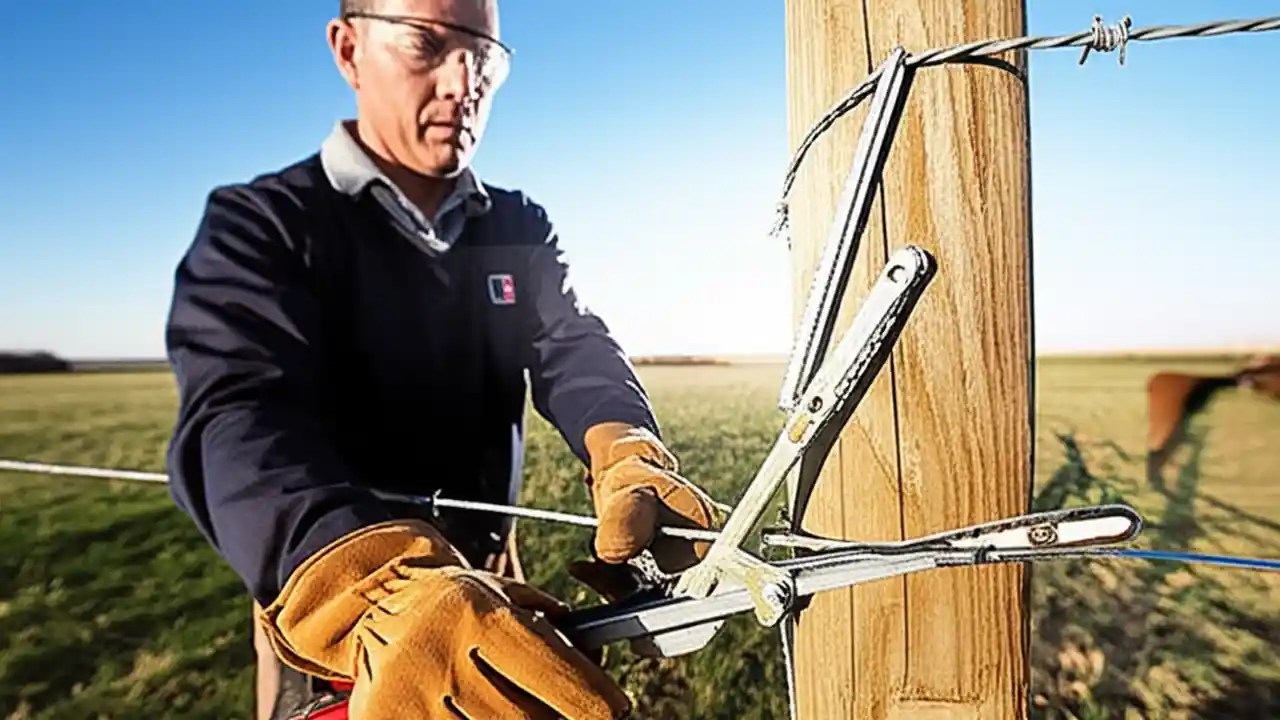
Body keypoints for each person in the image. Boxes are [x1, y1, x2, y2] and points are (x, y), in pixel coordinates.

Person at [161, 1, 723, 718]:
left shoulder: (515, 224)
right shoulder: (266, 225)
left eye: (485, 57)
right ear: (347, 48)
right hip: (352, 622)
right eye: (427, 45)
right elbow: (235, 415)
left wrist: (625, 443)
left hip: (491, 586)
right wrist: (371, 587)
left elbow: (571, 340)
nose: (464, 83)